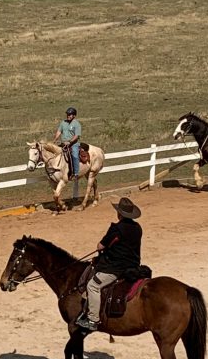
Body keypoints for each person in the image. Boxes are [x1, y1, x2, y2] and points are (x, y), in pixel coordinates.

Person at [76, 196, 143, 332]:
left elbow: (101, 246)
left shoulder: (116, 229)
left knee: (93, 286)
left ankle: (93, 319)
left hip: (115, 268)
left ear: (119, 213)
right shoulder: (137, 228)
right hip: (133, 266)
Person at [55, 107, 83, 178]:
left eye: (70, 114)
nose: (68, 116)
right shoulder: (63, 122)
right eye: (67, 114)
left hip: (73, 144)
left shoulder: (77, 124)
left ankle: (76, 173)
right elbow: (59, 131)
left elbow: (76, 136)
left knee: (75, 156)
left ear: (74, 115)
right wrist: (55, 139)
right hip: (63, 143)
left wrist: (69, 142)